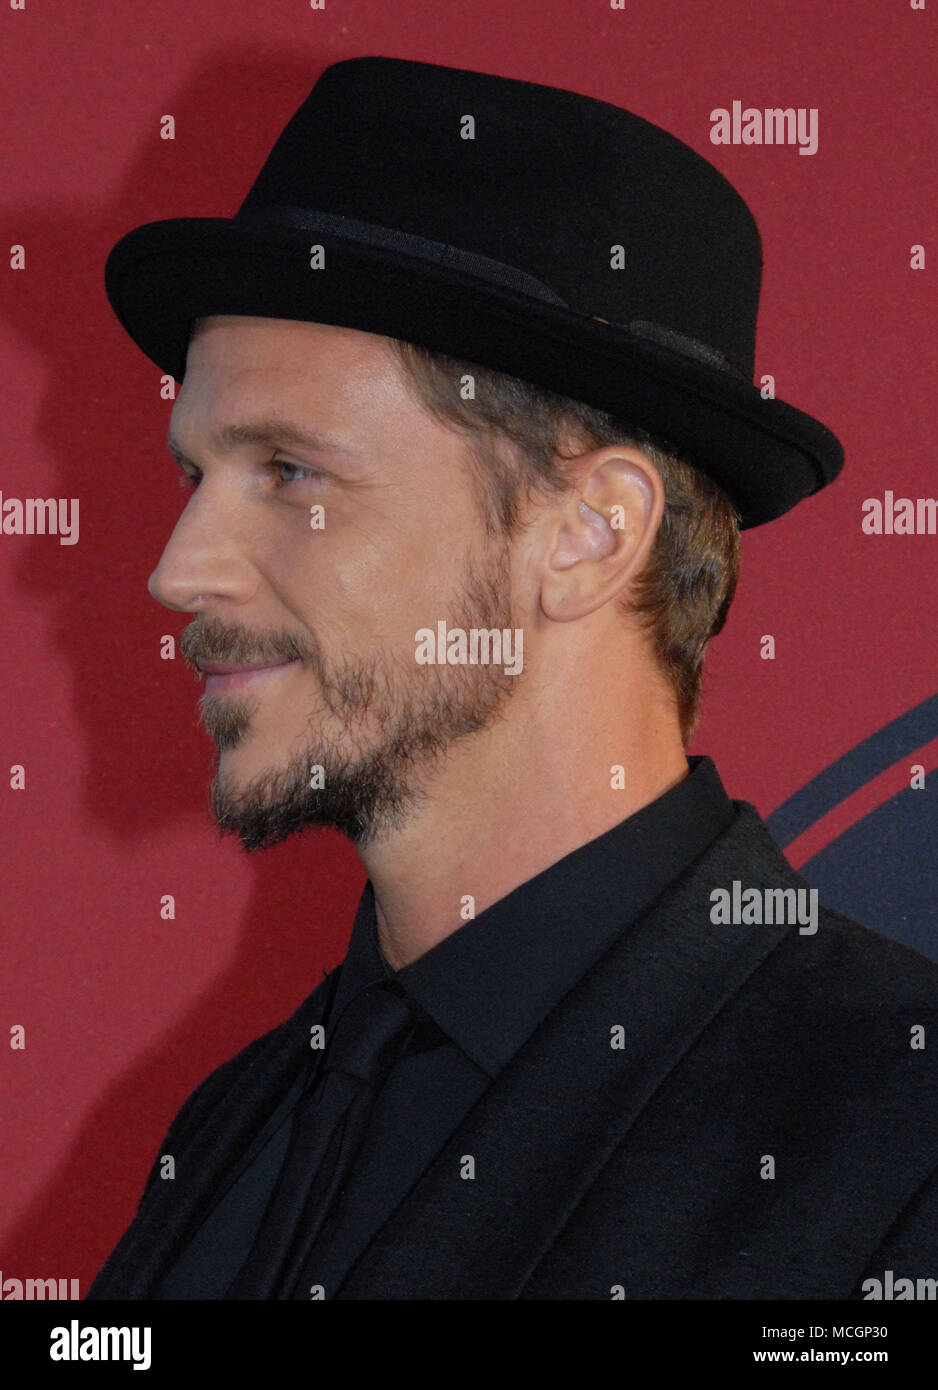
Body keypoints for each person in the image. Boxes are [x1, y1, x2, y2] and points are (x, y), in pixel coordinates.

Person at [87, 56, 938, 1300]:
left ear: (587, 532)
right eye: (193, 477)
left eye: (290, 473)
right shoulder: (234, 1126)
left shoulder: (894, 1133)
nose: (178, 570)